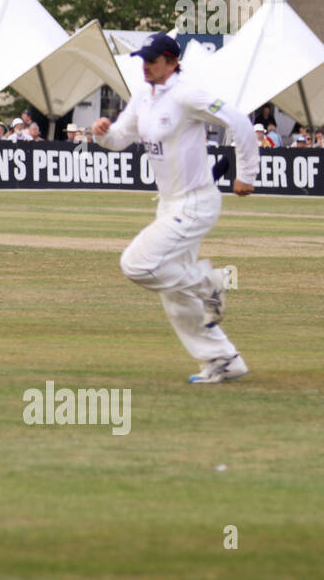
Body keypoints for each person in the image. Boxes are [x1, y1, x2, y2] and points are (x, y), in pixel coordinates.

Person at [91, 33, 258, 385]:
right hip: (169, 204)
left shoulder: (186, 94)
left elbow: (239, 121)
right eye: (143, 60)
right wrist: (103, 133)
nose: (145, 66)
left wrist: (247, 174)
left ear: (172, 62)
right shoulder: (143, 96)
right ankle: (223, 360)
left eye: (152, 60)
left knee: (137, 264)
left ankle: (208, 284)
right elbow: (119, 138)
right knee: (173, 295)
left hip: (196, 201)